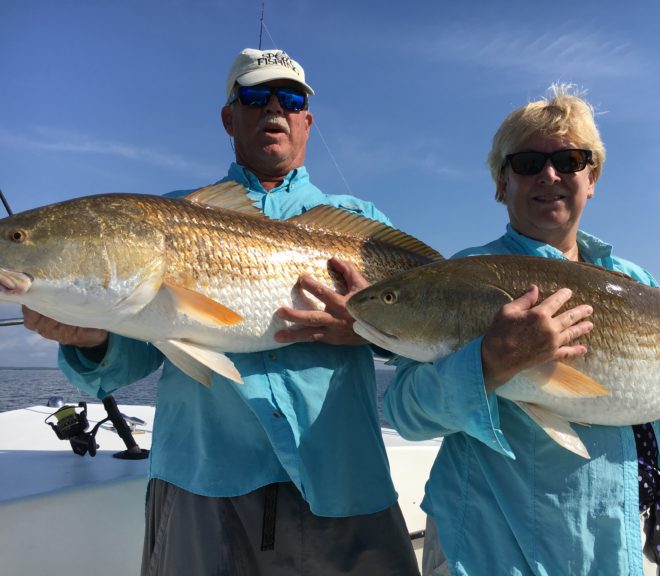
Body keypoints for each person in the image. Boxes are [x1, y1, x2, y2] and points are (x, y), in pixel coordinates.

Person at [22, 48, 420, 576]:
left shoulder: (362, 225)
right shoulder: (166, 215)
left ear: (307, 119)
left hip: (343, 478)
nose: (274, 108)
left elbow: (432, 332)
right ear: (229, 117)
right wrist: (91, 341)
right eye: (255, 96)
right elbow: (134, 355)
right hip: (202, 481)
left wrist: (368, 328)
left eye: (291, 98)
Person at [382, 83, 660, 576]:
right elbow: (406, 413)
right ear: (501, 183)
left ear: (592, 178)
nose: (549, 174)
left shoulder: (641, 284)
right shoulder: (466, 276)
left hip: (629, 549)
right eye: (526, 163)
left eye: (569, 160)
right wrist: (488, 364)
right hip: (492, 555)